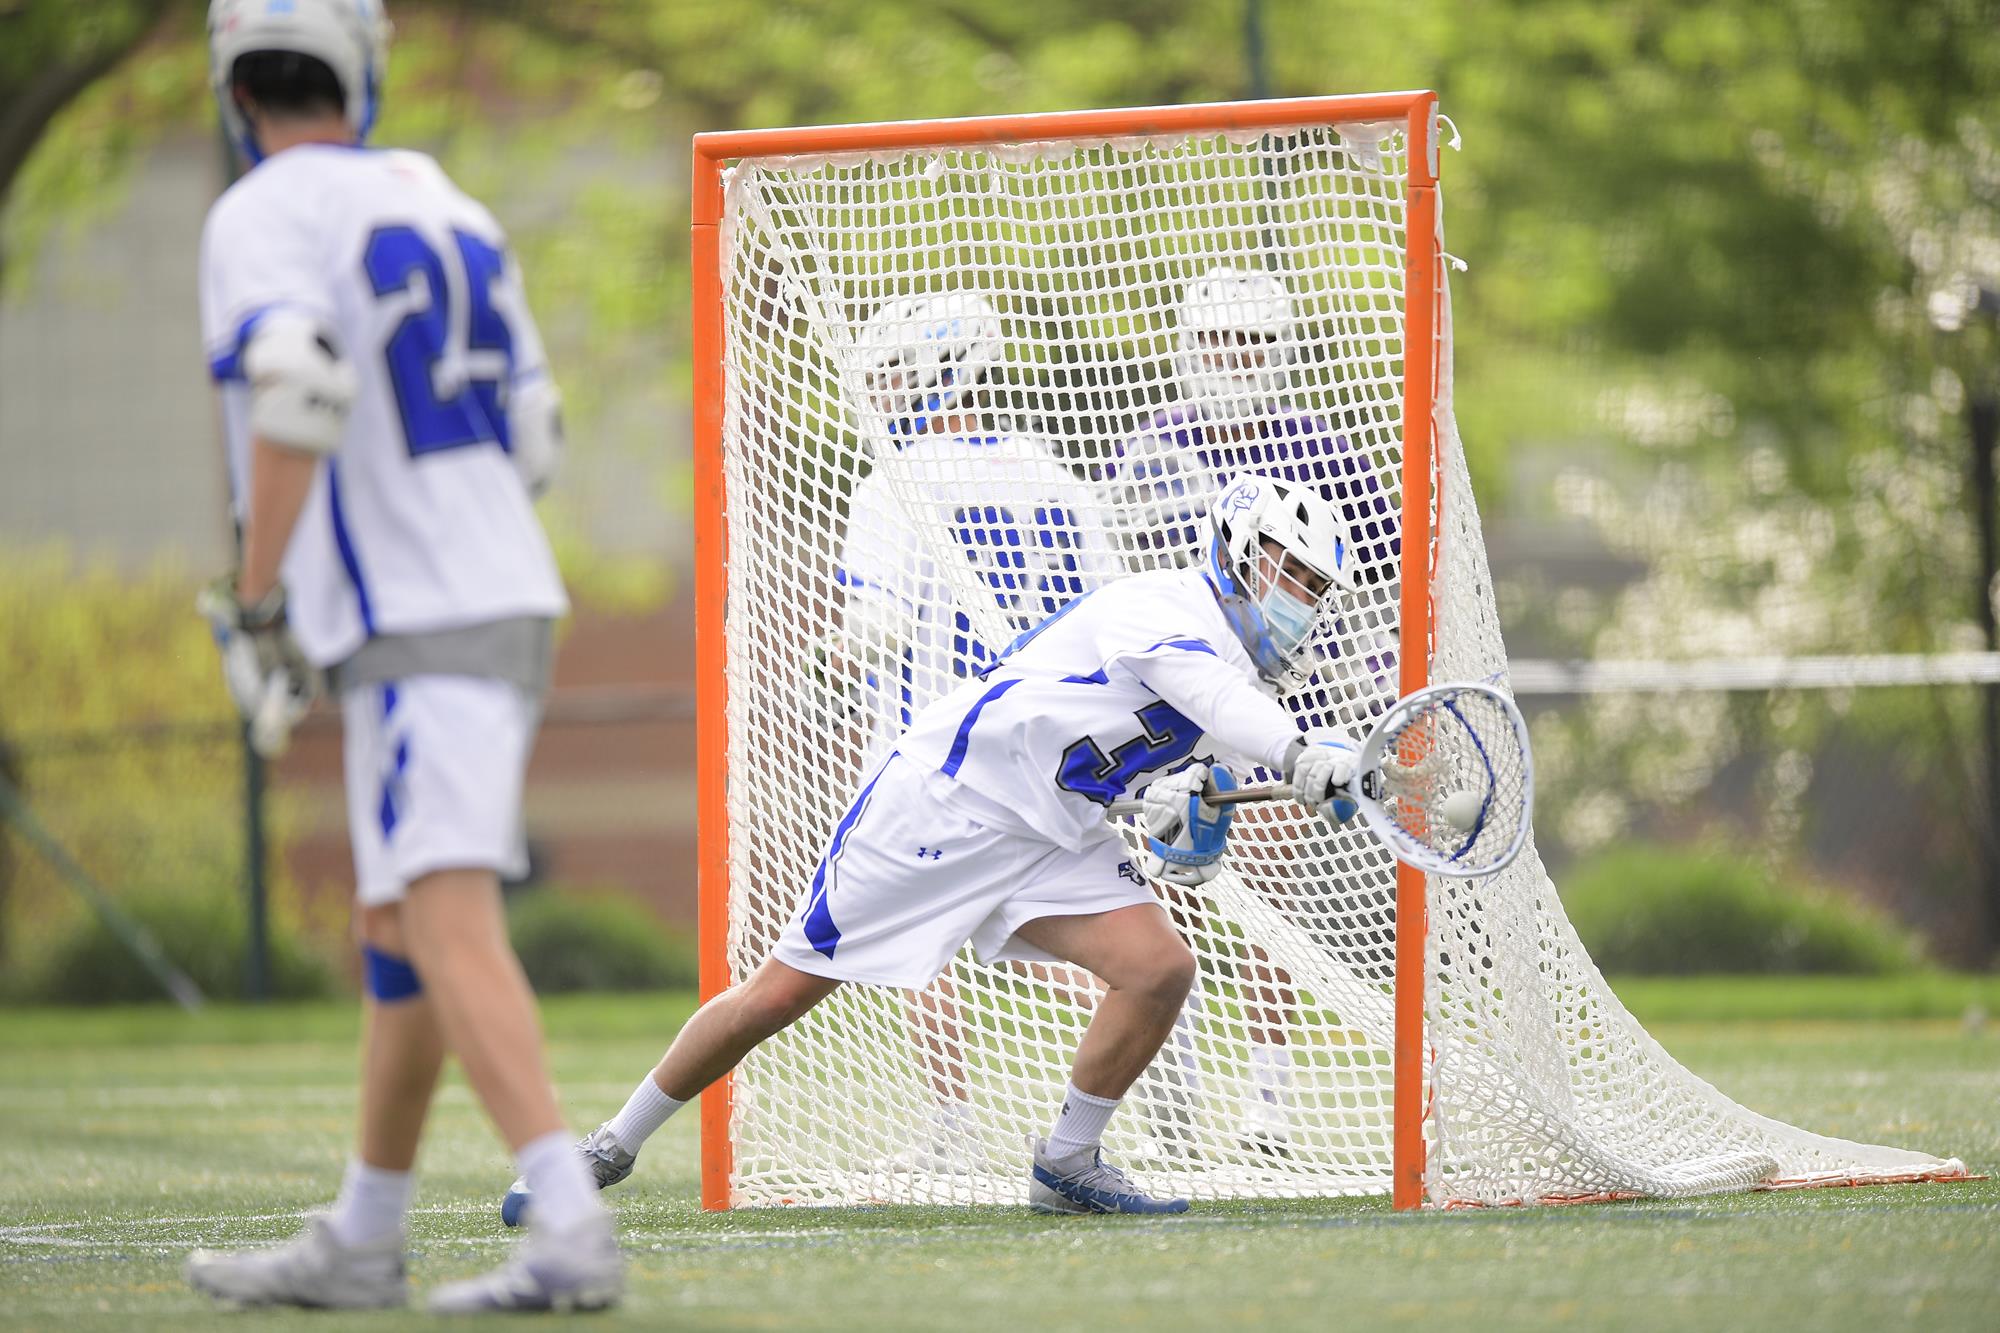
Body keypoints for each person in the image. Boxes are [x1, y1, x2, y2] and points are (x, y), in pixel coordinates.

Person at [501, 470, 1366, 1217]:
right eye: (1287, 569)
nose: (1297, 596)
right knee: (779, 995)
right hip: (945, 805)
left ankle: (1067, 1161)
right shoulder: (1164, 606)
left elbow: (1178, 813)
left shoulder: (1243, 683)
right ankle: (609, 1146)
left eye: (1313, 586)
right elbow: (1211, 695)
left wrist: (1186, 815)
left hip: (1051, 834)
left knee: (1159, 968)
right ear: (1236, 548)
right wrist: (1300, 751)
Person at [181, 0, 618, 1312]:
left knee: (439, 907)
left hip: (415, 615)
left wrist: (261, 602)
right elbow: (534, 436)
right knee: (396, 923)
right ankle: (366, 1231)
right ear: (359, 73)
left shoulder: (261, 209)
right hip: (491, 584)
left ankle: (569, 1220)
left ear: (237, 88)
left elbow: (299, 388)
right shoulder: (444, 196)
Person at [1108, 266, 1402, 1152]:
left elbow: (1383, 583)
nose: (1228, 358)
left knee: (1268, 906)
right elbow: (1122, 566)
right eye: (1214, 341)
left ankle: (1266, 1106)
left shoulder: (1324, 451)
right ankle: (1171, 1101)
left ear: (1276, 352)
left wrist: (1370, 679)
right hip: (1173, 705)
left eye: (1246, 344)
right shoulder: (1154, 445)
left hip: (1286, 700)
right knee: (1169, 899)